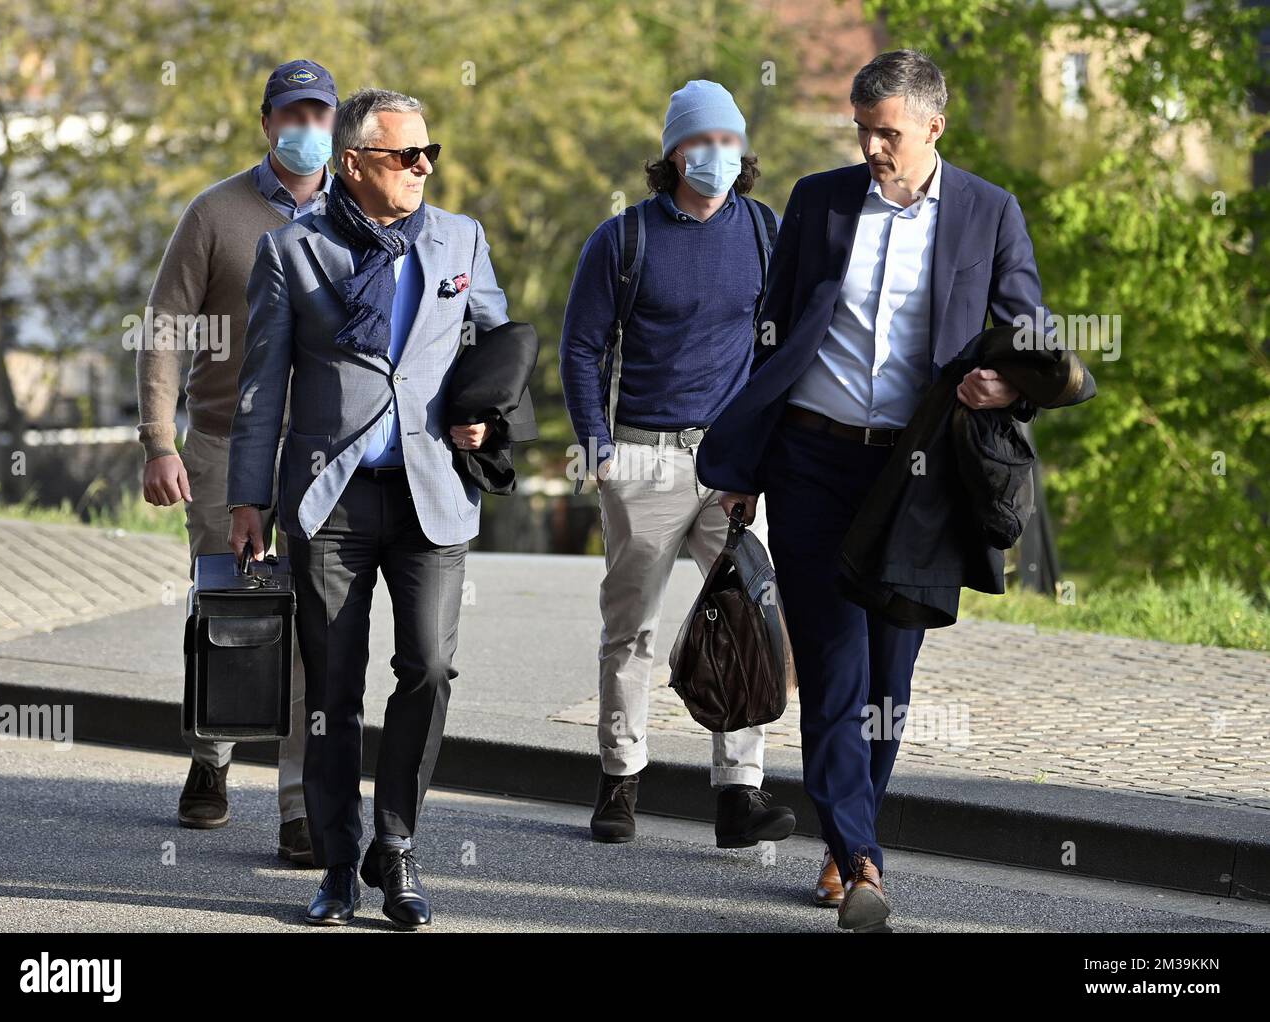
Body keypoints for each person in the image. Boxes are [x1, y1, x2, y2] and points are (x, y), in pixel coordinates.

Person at [698, 50, 1046, 932]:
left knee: (892, 672)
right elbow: (771, 339)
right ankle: (860, 856)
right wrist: (743, 471)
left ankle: (846, 838)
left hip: (919, 475)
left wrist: (1007, 388)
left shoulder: (988, 213)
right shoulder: (818, 201)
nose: (871, 146)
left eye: (886, 131)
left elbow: (1025, 332)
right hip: (813, 462)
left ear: (933, 127)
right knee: (833, 670)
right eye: (862, 129)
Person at [226, 87, 507, 929]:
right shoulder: (293, 250)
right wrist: (248, 497)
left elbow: (493, 340)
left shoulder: (461, 238)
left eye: (430, 154)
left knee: (427, 668)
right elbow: (262, 385)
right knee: (333, 693)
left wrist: (490, 414)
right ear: (355, 164)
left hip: (432, 497)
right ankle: (341, 866)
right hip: (331, 500)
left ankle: (400, 849)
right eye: (404, 155)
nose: (424, 167)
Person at [559, 80, 796, 849]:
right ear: (672, 153)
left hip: (730, 467)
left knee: (750, 621)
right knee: (630, 629)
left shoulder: (765, 231)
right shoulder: (623, 239)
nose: (717, 155)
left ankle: (739, 795)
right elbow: (583, 345)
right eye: (701, 142)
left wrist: (760, 456)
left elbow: (781, 349)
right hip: (643, 458)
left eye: (729, 142)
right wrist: (596, 444)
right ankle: (620, 780)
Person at [137, 59, 339, 865]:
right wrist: (159, 440)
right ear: (266, 123)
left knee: (311, 630)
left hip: (323, 452)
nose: (305, 128)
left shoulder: (355, 215)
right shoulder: (215, 212)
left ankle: (296, 808)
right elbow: (164, 327)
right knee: (226, 610)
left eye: (319, 114)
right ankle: (210, 760)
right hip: (221, 443)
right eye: (291, 114)